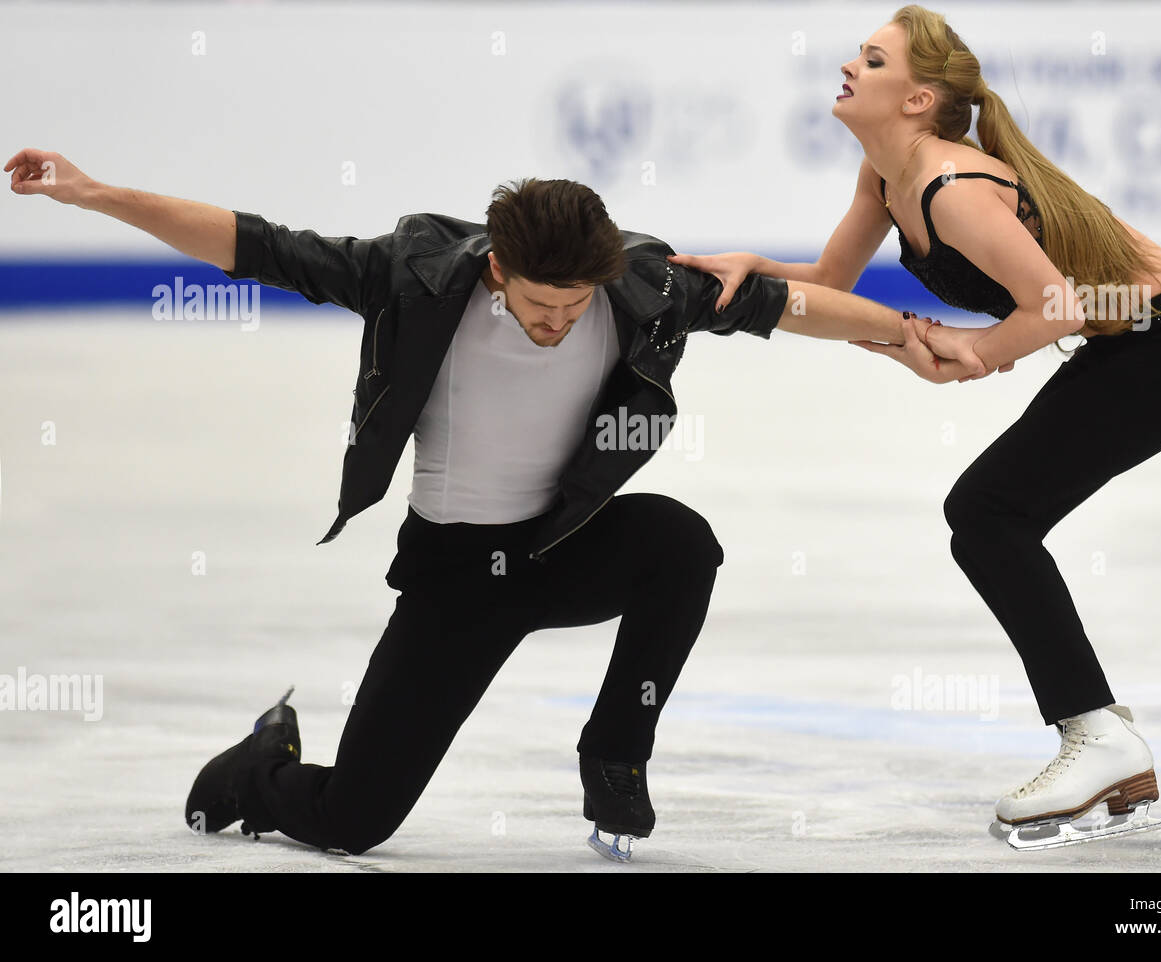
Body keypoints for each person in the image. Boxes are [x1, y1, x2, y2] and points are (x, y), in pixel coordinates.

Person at [6, 148, 980, 860]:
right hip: (456, 578)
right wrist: (94, 193)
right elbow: (253, 246)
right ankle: (255, 768)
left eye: (576, 307)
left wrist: (907, 331)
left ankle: (615, 752)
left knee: (682, 541)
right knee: (355, 821)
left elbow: (788, 308)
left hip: (566, 544)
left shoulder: (640, 286)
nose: (560, 326)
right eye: (540, 307)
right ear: (500, 269)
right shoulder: (415, 274)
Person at [668, 4, 1161, 849]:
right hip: (1141, 344)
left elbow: (1058, 304)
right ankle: (1098, 725)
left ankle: (1098, 735)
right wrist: (754, 266)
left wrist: (982, 349)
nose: (849, 66)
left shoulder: (952, 186)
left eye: (871, 59)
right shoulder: (885, 175)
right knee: (988, 515)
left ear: (916, 99)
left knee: (989, 515)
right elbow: (832, 276)